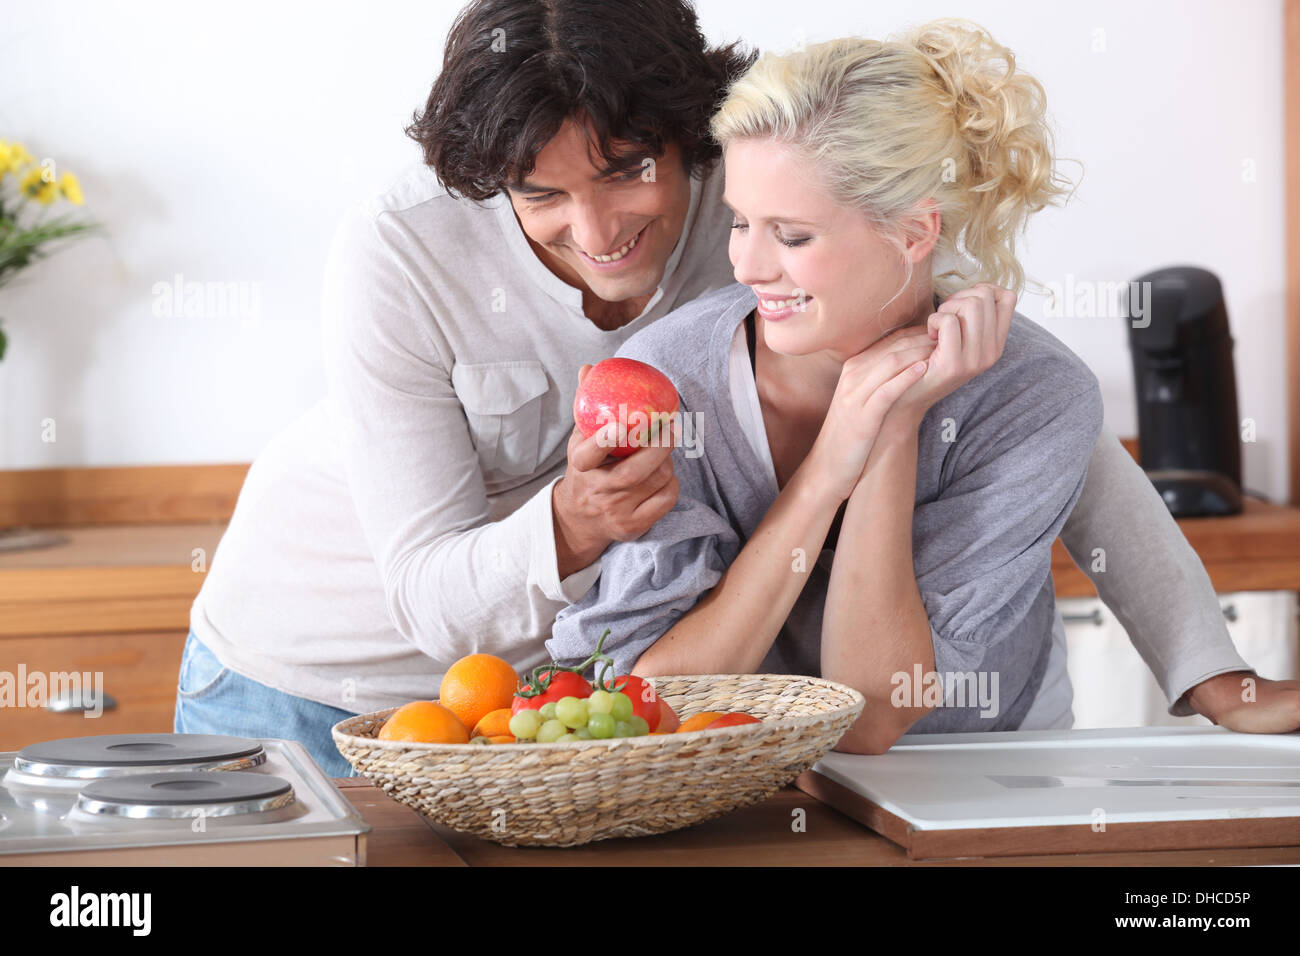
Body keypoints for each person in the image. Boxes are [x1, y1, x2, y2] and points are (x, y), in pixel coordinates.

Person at [174, 1, 1290, 778]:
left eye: (629, 171)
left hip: (568, 725)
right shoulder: (400, 247)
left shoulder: (753, 191)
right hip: (317, 664)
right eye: (540, 195)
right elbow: (432, 595)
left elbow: (1044, 423)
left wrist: (1209, 672)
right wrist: (569, 519)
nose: (599, 231)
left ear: (686, 133)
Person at [547, 22, 1300, 750]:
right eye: (740, 222)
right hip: (745, 767)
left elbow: (874, 715)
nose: (745, 267)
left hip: (980, 765)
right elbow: (647, 700)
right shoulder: (671, 378)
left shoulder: (1034, 393)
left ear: (914, 233)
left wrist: (894, 426)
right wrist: (827, 469)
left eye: (793, 235)